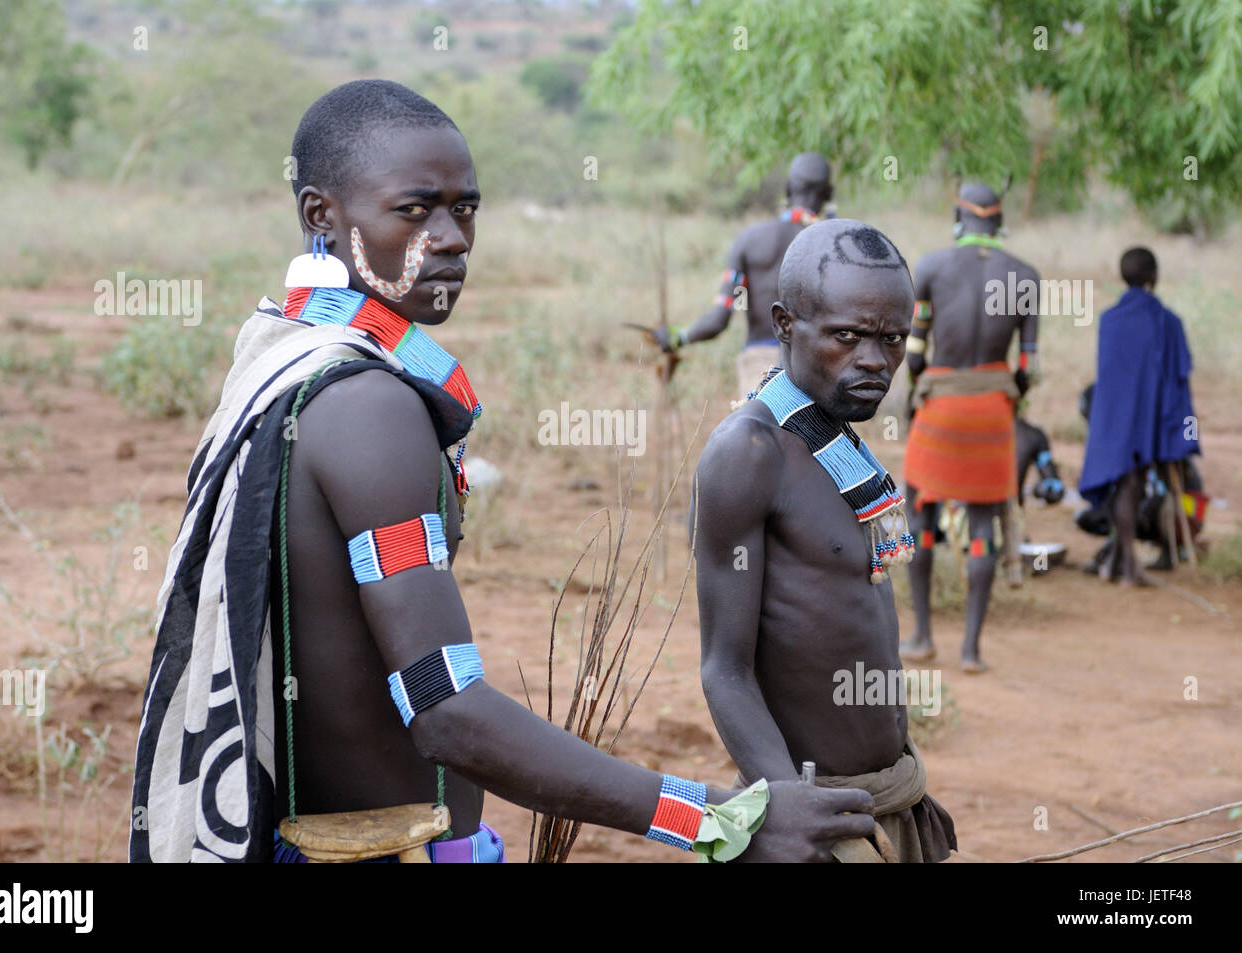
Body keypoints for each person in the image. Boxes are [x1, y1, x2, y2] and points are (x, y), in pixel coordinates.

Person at [129, 80, 877, 864]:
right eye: (415, 211)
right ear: (322, 216)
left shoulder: (288, 353)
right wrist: (716, 820)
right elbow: (446, 712)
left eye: (466, 209)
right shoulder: (367, 407)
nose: (451, 237)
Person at [692, 218, 957, 863]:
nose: (875, 360)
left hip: (884, 796)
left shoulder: (831, 437)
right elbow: (726, 670)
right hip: (813, 810)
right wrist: (792, 813)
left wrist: (906, 790)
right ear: (784, 325)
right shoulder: (749, 453)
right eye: (847, 336)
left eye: (893, 339)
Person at [899, 181, 1039, 673]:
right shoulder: (1025, 275)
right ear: (999, 223)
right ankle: (971, 650)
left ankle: (920, 637)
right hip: (992, 413)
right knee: (983, 529)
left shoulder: (933, 267)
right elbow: (1027, 366)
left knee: (922, 519)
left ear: (960, 219)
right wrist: (1005, 393)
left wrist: (920, 390)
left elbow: (914, 352)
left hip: (940, 409)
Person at [655, 152, 836, 398]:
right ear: (828, 194)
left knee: (754, 436)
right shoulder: (832, 248)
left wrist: (678, 336)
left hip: (758, 370)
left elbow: (719, 320)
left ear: (787, 188)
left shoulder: (749, 241)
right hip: (811, 371)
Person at [1078, 249, 1201, 583]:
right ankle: (1129, 567)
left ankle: (1117, 563)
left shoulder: (1109, 320)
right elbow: (1179, 379)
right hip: (1148, 418)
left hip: (1113, 419)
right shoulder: (1167, 321)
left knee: (1125, 485)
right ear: (1153, 276)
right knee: (1132, 485)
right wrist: (1186, 432)